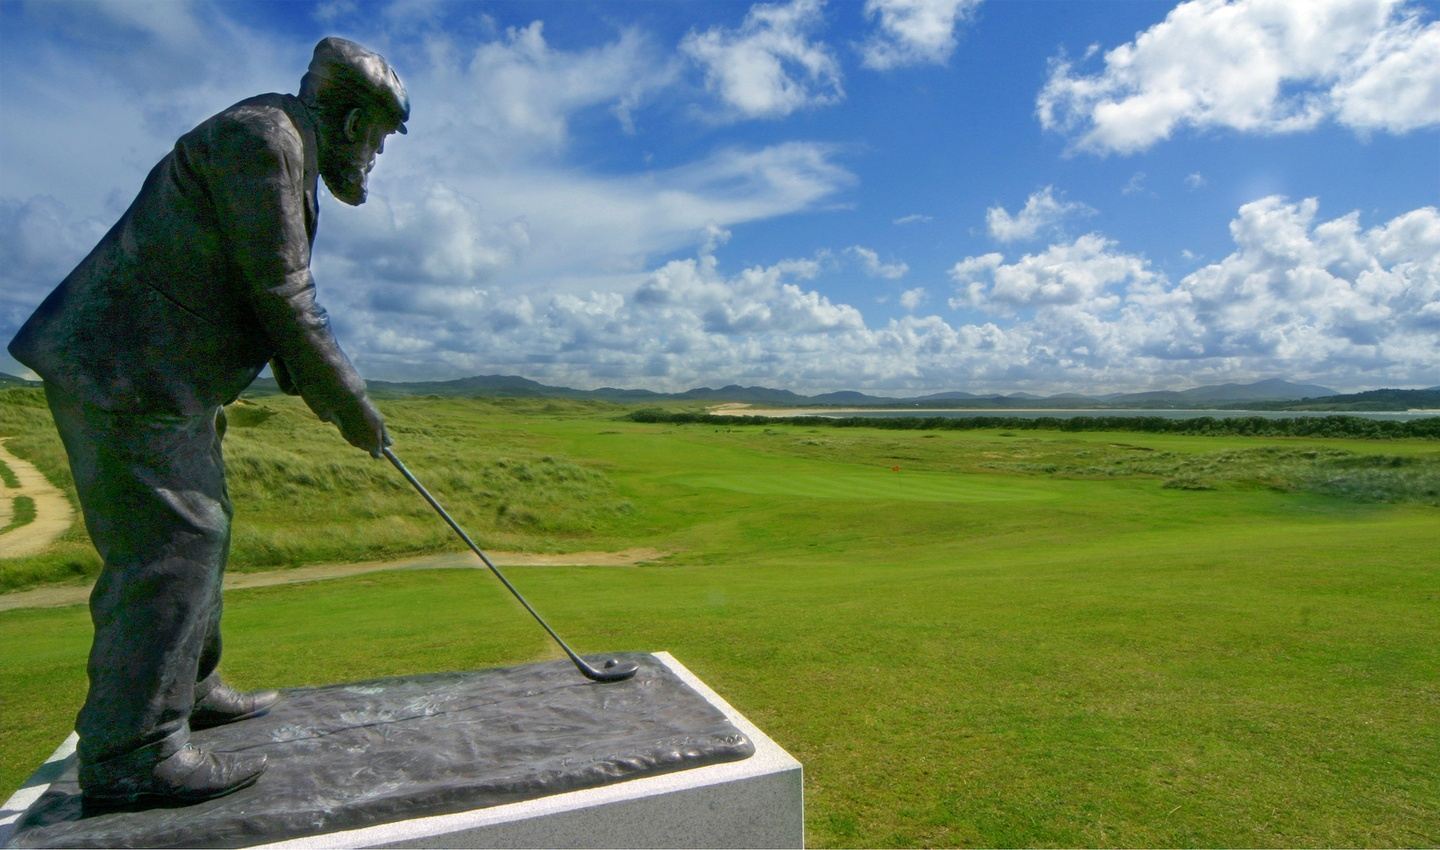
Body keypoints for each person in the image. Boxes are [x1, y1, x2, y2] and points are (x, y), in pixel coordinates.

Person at [7, 37, 407, 807]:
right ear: (353, 119)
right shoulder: (263, 138)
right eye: (381, 135)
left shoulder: (283, 140)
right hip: (123, 372)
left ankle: (189, 687)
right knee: (177, 541)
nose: (378, 152)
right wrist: (349, 403)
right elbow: (284, 294)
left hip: (166, 384)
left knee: (204, 524)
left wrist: (328, 395)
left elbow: (273, 302)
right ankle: (132, 751)